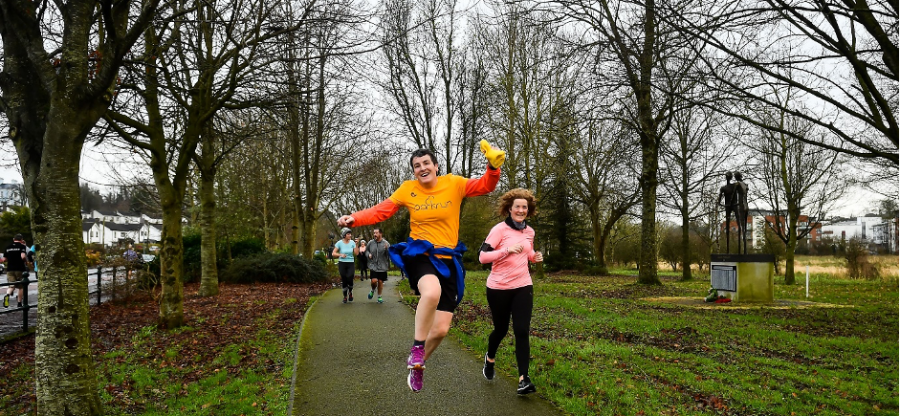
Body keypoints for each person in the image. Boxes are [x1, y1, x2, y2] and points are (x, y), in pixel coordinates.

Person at [338, 140, 505, 392]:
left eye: (426, 163)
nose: (422, 168)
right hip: (420, 253)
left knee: (440, 330)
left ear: (436, 166)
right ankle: (417, 346)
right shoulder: (408, 189)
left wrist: (493, 166)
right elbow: (382, 211)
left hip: (448, 258)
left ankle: (418, 365)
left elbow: (486, 185)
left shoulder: (455, 184)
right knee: (431, 292)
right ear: (414, 171)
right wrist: (356, 218)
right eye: (417, 166)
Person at [478, 188, 543, 395]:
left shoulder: (529, 232)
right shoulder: (499, 230)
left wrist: (534, 257)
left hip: (523, 285)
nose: (521, 210)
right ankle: (490, 357)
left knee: (522, 330)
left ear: (528, 210)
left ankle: (524, 379)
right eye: (517, 207)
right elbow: (482, 257)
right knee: (501, 329)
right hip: (498, 288)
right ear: (509, 209)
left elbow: (528, 251)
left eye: (525, 207)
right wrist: (506, 250)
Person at [332, 228, 359, 303]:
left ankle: (350, 292)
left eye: (350, 234)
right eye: (348, 234)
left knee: (350, 278)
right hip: (342, 263)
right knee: (344, 279)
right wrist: (340, 254)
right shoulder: (339, 243)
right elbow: (333, 253)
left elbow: (356, 253)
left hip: (350, 263)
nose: (350, 235)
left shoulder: (352, 243)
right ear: (344, 235)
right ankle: (345, 296)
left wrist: (356, 244)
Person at [3, 234, 29, 309]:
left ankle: (7, 295)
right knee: (21, 287)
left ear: (13, 239)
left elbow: (4, 259)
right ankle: (19, 303)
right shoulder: (22, 246)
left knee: (11, 285)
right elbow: (23, 256)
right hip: (19, 268)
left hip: (10, 268)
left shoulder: (8, 247)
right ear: (21, 239)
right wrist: (25, 261)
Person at [366, 228, 391, 303]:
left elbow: (389, 255)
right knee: (374, 281)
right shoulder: (370, 243)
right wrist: (368, 254)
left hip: (382, 266)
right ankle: (373, 290)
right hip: (373, 265)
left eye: (376, 233)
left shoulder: (386, 243)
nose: (375, 235)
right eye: (374, 233)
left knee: (380, 282)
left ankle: (379, 296)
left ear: (380, 234)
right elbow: (366, 250)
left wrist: (387, 249)